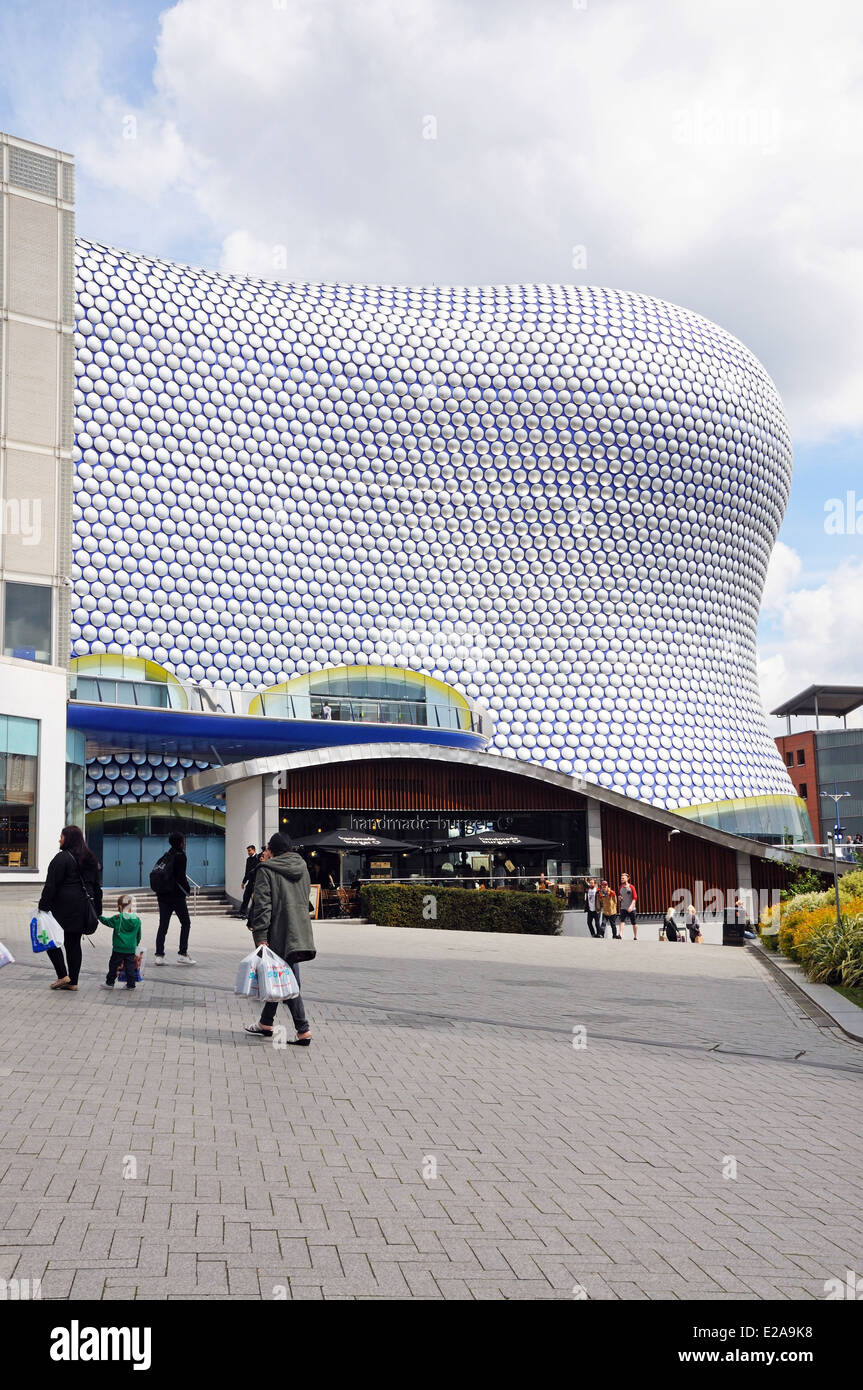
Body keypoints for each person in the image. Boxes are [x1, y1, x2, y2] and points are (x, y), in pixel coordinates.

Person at [245, 833, 316, 1046]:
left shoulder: (266, 870)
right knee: (279, 977)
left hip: (277, 933)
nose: (264, 852)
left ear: (273, 850)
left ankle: (303, 1030)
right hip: (299, 931)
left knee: (287, 981)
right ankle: (265, 1023)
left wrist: (260, 937)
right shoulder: (302, 867)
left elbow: (263, 906)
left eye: (266, 848)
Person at [39, 825, 103, 992]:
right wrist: (97, 910)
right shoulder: (91, 858)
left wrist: (43, 906)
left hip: (63, 907)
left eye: (61, 836)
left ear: (69, 839)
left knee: (49, 939)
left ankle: (62, 975)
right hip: (83, 908)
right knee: (73, 944)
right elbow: (97, 887)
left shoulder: (62, 858)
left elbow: (51, 885)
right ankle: (73, 981)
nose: (59, 839)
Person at [153, 832, 196, 965]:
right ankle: (182, 953)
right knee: (186, 923)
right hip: (176, 896)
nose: (185, 843)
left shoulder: (166, 855)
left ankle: (159, 956)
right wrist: (187, 890)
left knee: (163, 925)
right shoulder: (181, 856)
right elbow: (181, 877)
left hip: (163, 895)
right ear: (181, 843)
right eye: (184, 841)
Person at [99, 894, 142, 991]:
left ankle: (110, 983)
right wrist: (136, 944)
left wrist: (99, 916)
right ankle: (131, 985)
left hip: (118, 948)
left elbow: (107, 921)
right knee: (130, 966)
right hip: (131, 948)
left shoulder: (118, 918)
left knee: (113, 965)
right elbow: (139, 935)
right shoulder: (137, 920)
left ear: (120, 907)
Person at [234, 844, 261, 918]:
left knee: (256, 899)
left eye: (249, 851)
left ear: (254, 850)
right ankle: (242, 913)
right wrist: (243, 882)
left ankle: (256, 914)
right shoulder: (248, 859)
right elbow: (247, 871)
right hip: (250, 881)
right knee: (246, 897)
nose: (248, 852)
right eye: (248, 851)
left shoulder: (258, 857)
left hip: (257, 881)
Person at [619, 872, 638, 940]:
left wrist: (631, 906)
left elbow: (635, 898)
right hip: (623, 907)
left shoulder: (631, 887)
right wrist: (620, 898)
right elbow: (620, 895)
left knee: (634, 923)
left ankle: (635, 936)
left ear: (627, 879)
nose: (621, 879)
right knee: (622, 921)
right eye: (621, 878)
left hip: (631, 908)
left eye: (623, 878)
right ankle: (620, 934)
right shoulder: (620, 887)